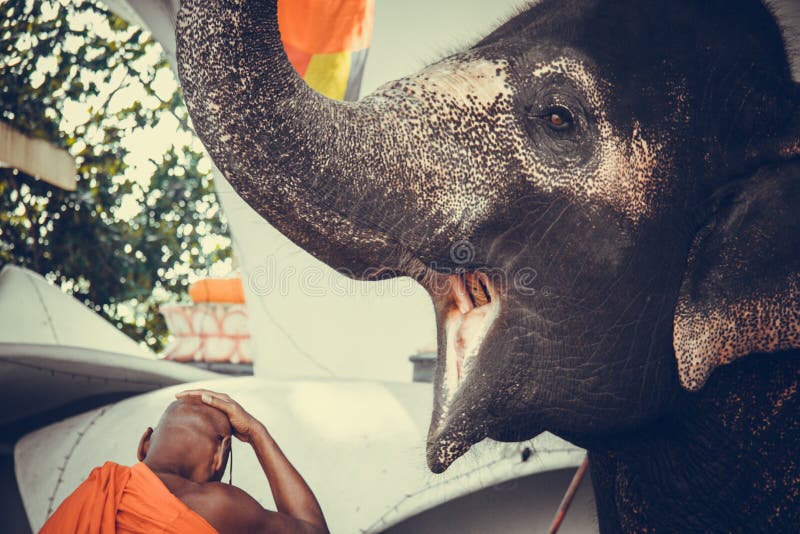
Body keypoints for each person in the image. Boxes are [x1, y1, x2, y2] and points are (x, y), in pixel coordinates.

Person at [41, 389, 329, 534]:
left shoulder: (94, 493)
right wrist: (255, 432)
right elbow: (313, 530)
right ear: (220, 453)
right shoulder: (219, 505)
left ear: (144, 444)